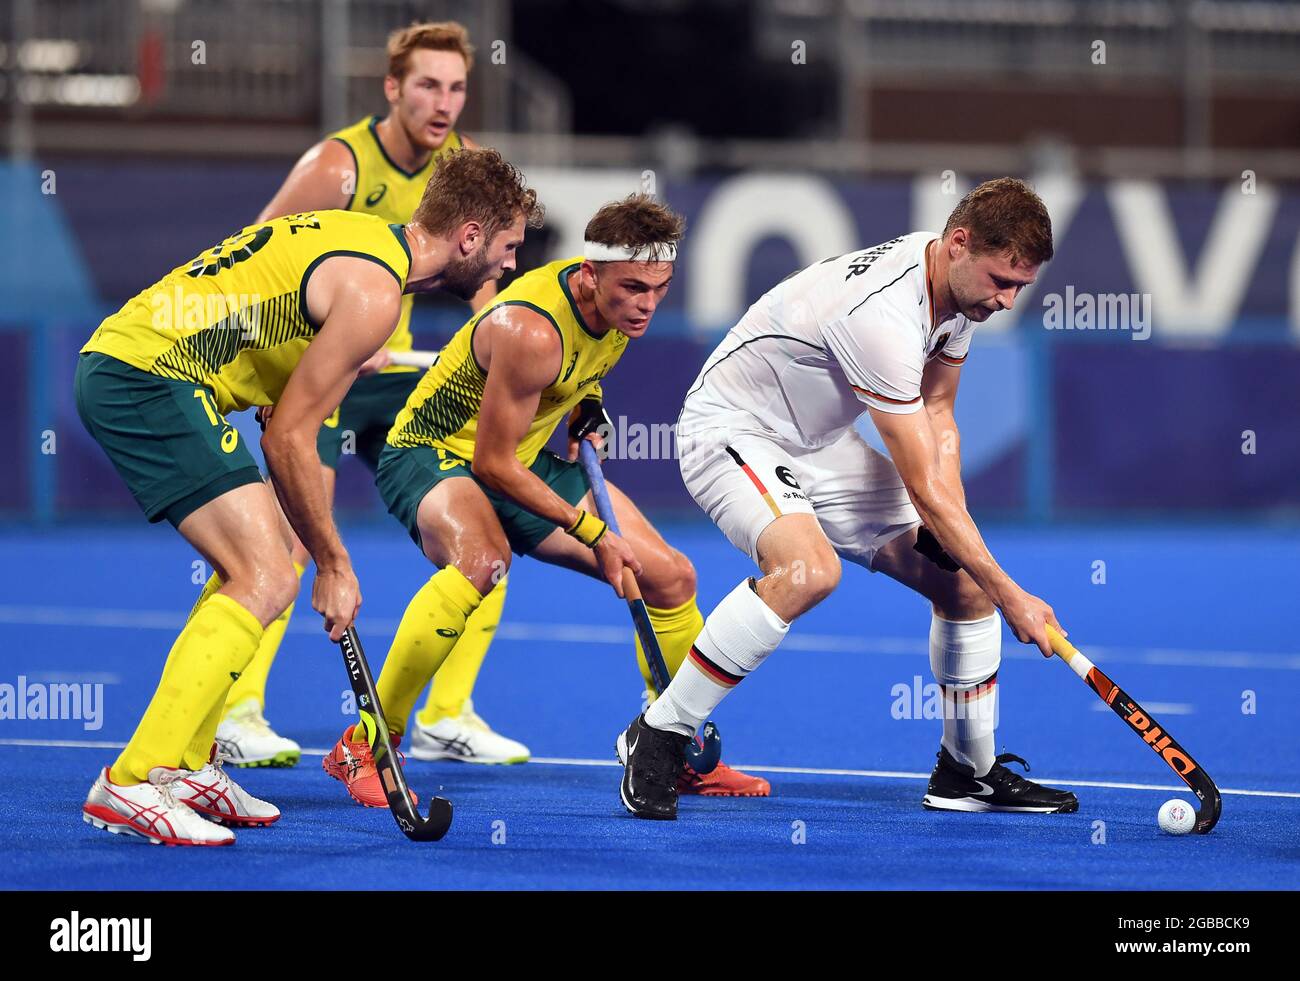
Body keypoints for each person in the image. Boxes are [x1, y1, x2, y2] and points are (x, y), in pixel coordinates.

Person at [76, 149, 542, 844]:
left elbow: (274, 373)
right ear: (469, 237)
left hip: (146, 363)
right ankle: (133, 779)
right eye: (507, 248)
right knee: (268, 571)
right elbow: (289, 440)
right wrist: (333, 561)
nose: (508, 267)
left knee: (257, 570)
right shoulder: (375, 294)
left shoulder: (358, 243)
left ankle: (186, 763)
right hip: (146, 375)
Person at [617, 178, 1080, 820]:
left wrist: (968, 551)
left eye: (1019, 289)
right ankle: (660, 735)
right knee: (808, 572)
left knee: (964, 586)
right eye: (1001, 281)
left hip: (819, 443)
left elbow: (941, 411)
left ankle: (966, 773)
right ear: (959, 244)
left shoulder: (956, 295)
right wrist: (1015, 596)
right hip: (732, 428)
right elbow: (924, 485)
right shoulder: (884, 315)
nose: (1006, 301)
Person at [322, 194, 770, 806]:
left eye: (661, 289)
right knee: (481, 560)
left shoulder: (618, 311)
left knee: (669, 575)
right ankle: (369, 743)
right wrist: (592, 533)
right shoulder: (531, 328)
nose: (647, 304)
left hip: (519, 457)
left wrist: (589, 407)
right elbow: (491, 463)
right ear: (590, 275)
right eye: (635, 287)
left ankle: (671, 743)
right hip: (434, 454)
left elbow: (575, 378)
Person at [213, 20, 528, 769]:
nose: (443, 101)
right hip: (322, 371)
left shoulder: (463, 168)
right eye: (427, 84)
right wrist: (300, 355)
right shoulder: (339, 166)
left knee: (485, 537)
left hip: (392, 382)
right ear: (392, 89)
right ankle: (237, 710)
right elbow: (256, 256)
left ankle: (446, 715)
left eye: (455, 86)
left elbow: (485, 283)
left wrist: (495, 355)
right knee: (291, 543)